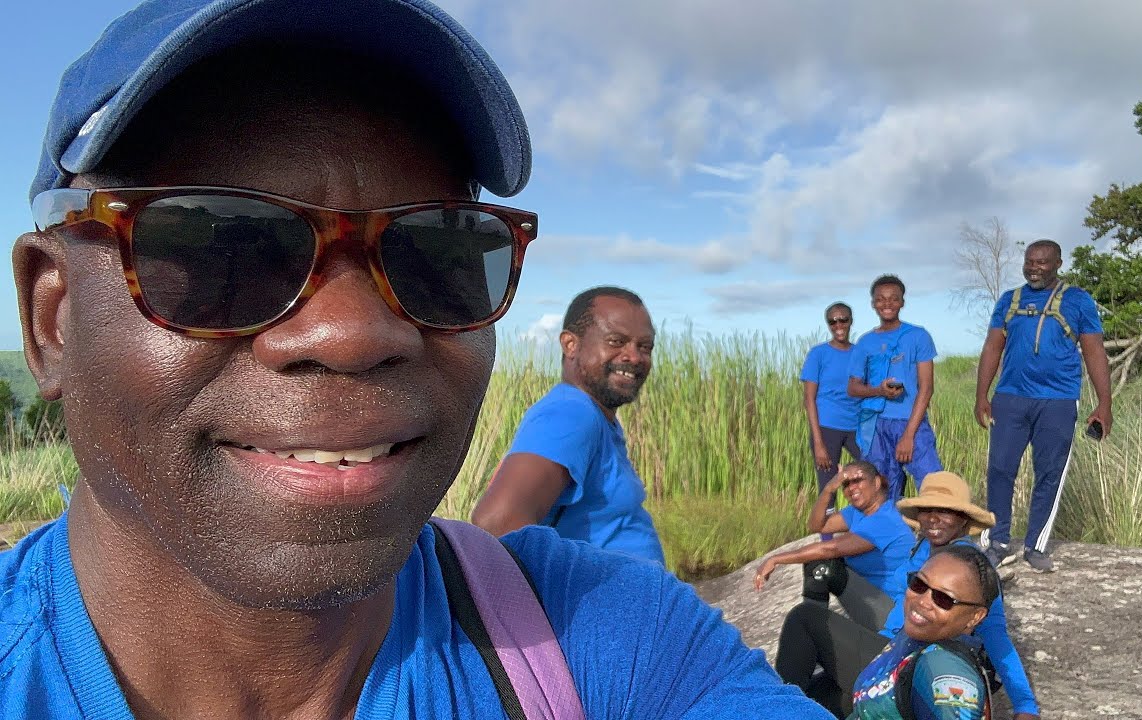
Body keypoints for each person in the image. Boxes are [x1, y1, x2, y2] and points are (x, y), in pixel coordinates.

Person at [0, 2, 831, 717]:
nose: (354, 332)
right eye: (226, 249)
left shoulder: (610, 640)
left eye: (438, 253)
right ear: (52, 320)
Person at [470, 286, 664, 564]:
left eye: (644, 346)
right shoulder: (571, 413)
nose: (633, 356)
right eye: (616, 341)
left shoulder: (598, 417)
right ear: (570, 345)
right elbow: (498, 521)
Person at [974, 239, 1112, 573]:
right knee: (1000, 469)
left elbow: (1094, 351)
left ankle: (1036, 546)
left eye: (1042, 262)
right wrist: (982, 396)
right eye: (1029, 261)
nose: (1034, 268)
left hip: (1059, 400)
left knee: (1049, 473)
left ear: (1058, 264)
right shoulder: (1010, 300)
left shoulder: (1078, 301)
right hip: (1011, 398)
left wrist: (1104, 403)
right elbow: (993, 348)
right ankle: (999, 542)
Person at [882, 473, 1040, 719]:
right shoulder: (924, 546)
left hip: (910, 656)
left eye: (945, 511)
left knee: (810, 620)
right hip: (893, 638)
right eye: (927, 509)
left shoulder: (970, 569)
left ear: (963, 520)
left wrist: (1024, 705)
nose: (933, 518)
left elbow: (995, 634)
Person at [761, 461, 914, 714]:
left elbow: (831, 547)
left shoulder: (886, 520)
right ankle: (810, 647)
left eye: (858, 480)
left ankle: (809, 639)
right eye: (847, 483)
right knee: (819, 566)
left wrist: (776, 558)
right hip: (869, 605)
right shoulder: (858, 514)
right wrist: (829, 489)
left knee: (822, 566)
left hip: (889, 612)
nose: (851, 487)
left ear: (877, 483)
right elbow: (817, 525)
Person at [849, 545, 1002, 720]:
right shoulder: (919, 635)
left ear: (976, 616)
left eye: (943, 599)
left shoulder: (945, 669)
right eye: (919, 584)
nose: (923, 601)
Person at [846, 275, 943, 499]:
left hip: (911, 421)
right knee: (881, 489)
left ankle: (936, 533)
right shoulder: (865, 342)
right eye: (880, 299)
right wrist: (879, 391)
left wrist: (909, 435)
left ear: (902, 302)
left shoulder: (918, 336)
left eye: (893, 299)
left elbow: (926, 388)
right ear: (873, 304)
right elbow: (853, 388)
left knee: (932, 483)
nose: (887, 304)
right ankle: (890, 533)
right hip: (876, 424)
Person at [800, 302, 863, 519]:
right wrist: (818, 443)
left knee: (872, 471)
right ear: (828, 324)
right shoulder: (818, 354)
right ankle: (826, 538)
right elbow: (809, 399)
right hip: (827, 426)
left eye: (843, 320)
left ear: (851, 321)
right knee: (828, 485)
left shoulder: (859, 353)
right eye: (833, 321)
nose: (838, 325)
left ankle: (865, 526)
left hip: (857, 426)